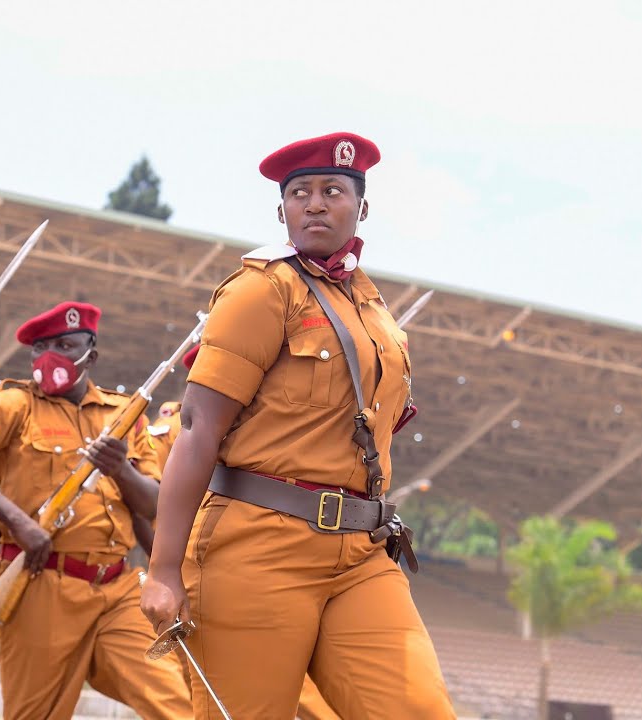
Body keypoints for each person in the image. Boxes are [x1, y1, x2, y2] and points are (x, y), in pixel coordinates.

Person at [139, 132, 456, 719]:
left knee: (420, 709)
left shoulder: (372, 307)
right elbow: (197, 428)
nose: (315, 203)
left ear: (360, 208)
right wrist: (163, 569)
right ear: (281, 209)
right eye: (300, 192)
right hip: (258, 548)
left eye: (333, 190)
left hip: (362, 553)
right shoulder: (262, 290)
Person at [0, 301, 191, 720]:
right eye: (40, 347)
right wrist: (16, 521)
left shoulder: (125, 415)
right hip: (41, 584)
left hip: (116, 589)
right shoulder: (13, 405)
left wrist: (118, 468)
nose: (50, 356)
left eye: (65, 344)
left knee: (175, 703)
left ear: (91, 355)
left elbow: (153, 502)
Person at [147, 346, 342, 720]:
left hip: (262, 569)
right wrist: (165, 574)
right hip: (210, 571)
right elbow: (153, 505)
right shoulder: (176, 430)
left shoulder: (271, 429)